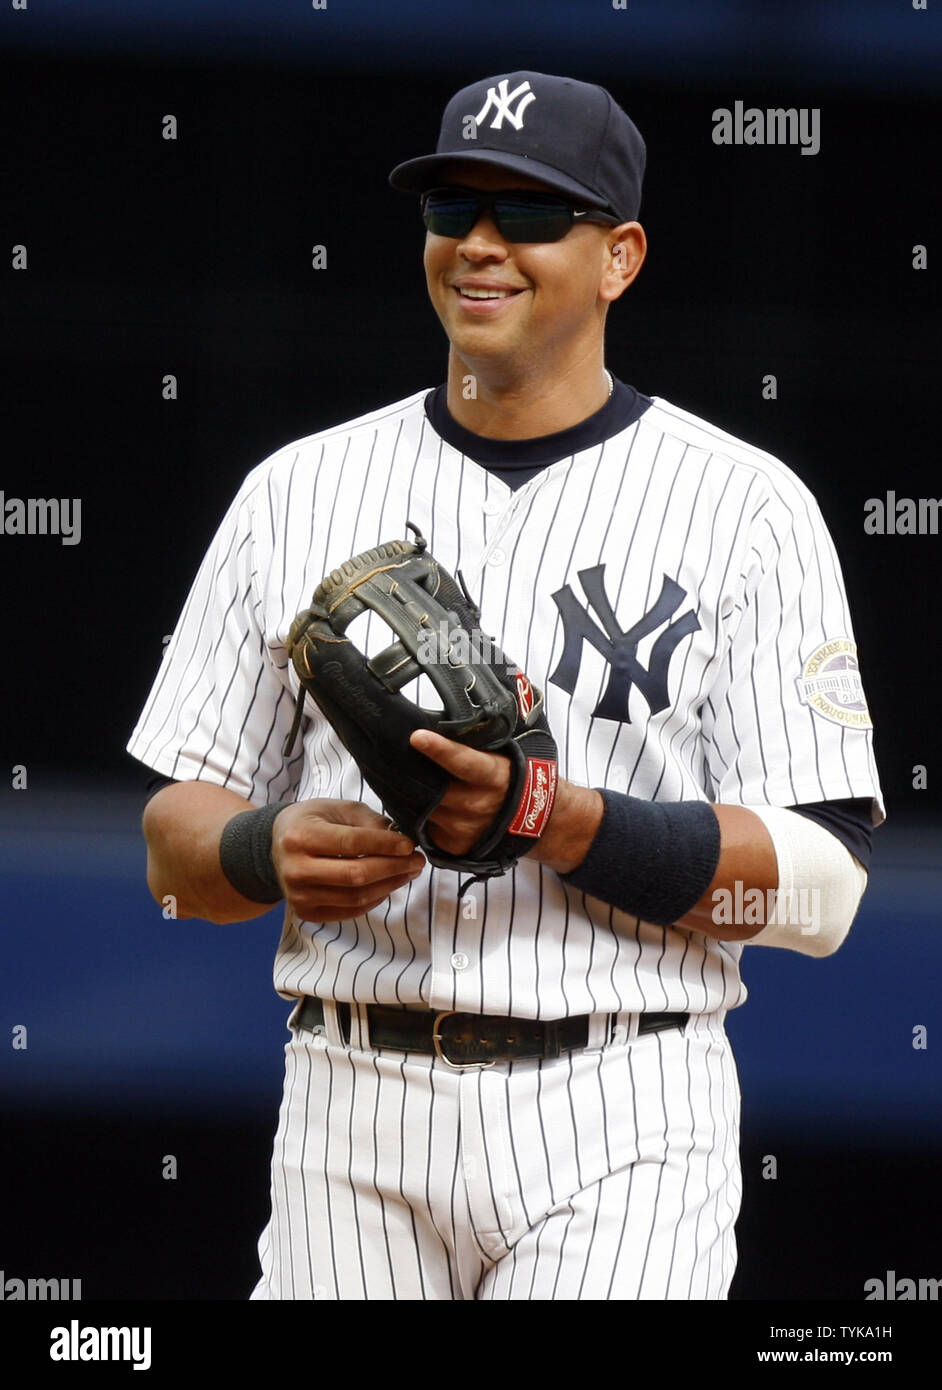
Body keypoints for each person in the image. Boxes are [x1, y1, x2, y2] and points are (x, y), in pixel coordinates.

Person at [130, 71, 884, 1301]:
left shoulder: (745, 506)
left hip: (625, 1100)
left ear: (620, 256)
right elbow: (174, 851)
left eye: (532, 213)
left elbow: (823, 893)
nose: (481, 243)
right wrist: (265, 850)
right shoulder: (295, 492)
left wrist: (554, 819)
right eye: (454, 208)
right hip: (349, 1104)